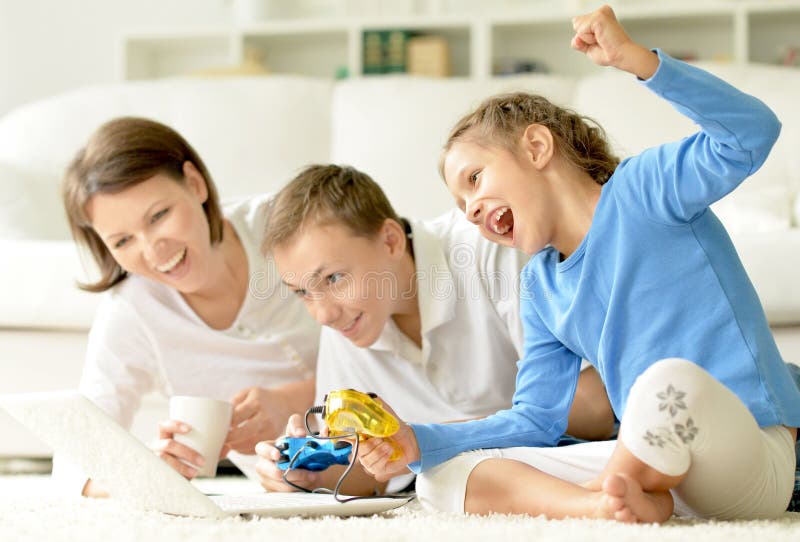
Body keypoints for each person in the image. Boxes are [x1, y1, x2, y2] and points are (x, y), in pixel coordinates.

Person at [352, 6, 800, 522]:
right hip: (653, 456)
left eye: (474, 179)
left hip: (745, 458)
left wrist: (640, 62)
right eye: (461, 206)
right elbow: (536, 420)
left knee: (667, 382)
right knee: (444, 475)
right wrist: (417, 438)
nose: (471, 210)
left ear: (537, 147)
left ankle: (617, 485)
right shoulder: (541, 287)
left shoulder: (646, 191)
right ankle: (609, 504)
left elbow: (751, 134)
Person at [252, 164, 616, 495]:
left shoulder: (488, 249)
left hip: (576, 456)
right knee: (437, 485)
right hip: (471, 481)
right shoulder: (345, 320)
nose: (322, 314)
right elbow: (370, 470)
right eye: (302, 292)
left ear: (391, 241)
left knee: (444, 482)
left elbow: (595, 409)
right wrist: (313, 474)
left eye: (333, 278)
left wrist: (427, 439)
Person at [56, 117, 321, 497]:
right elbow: (75, 457)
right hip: (299, 489)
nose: (152, 250)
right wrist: (147, 470)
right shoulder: (132, 312)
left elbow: (403, 346)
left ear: (195, 183)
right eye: (122, 240)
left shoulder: (284, 225)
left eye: (159, 216)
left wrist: (297, 399)